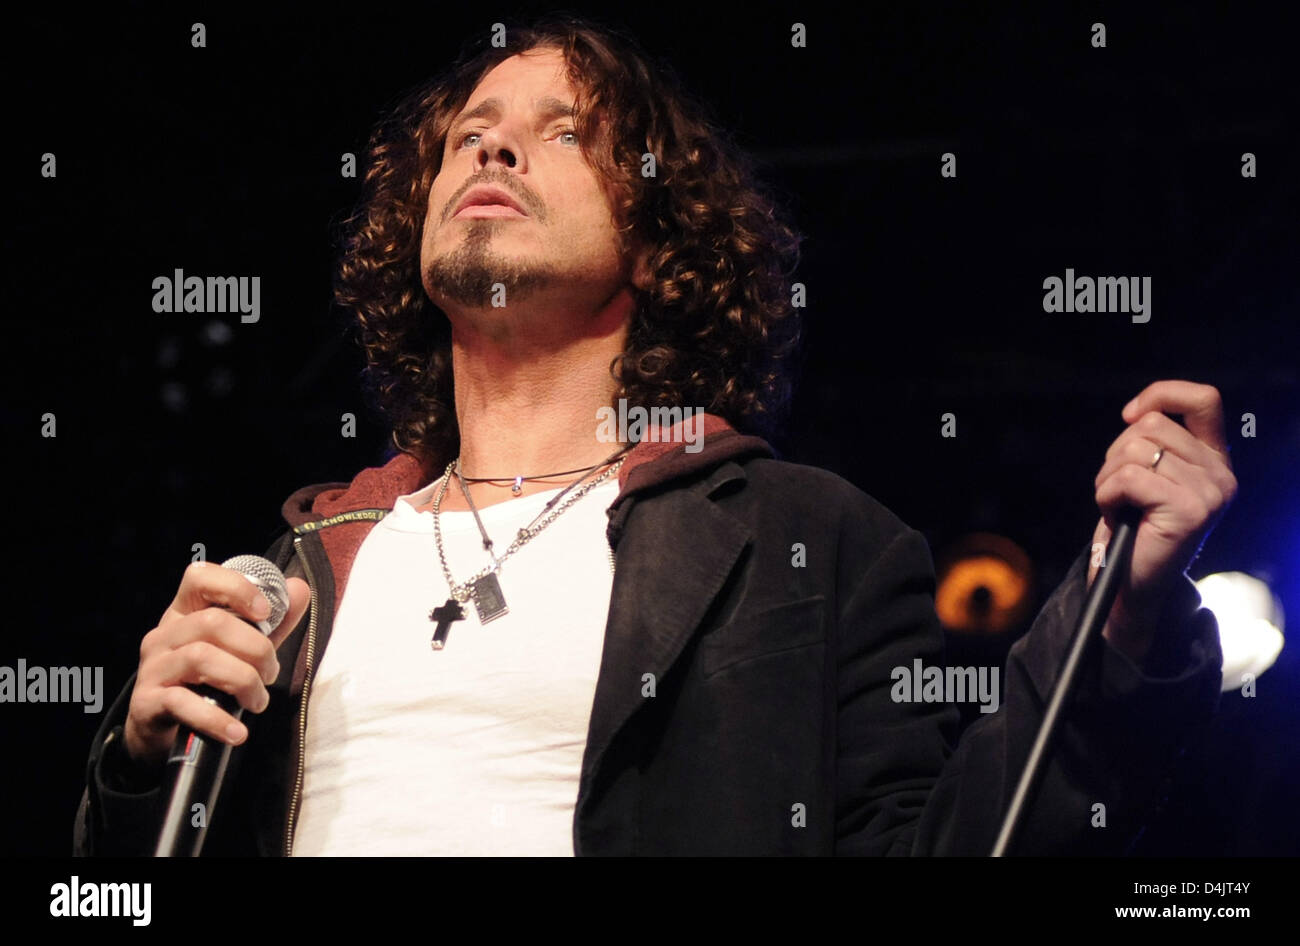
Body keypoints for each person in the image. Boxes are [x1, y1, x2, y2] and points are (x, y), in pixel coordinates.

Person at [74, 15, 1234, 856]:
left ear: (655, 233)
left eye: (560, 132)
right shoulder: (301, 568)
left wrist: (1114, 614)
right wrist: (133, 767)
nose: (490, 147)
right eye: (469, 133)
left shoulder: (808, 541)